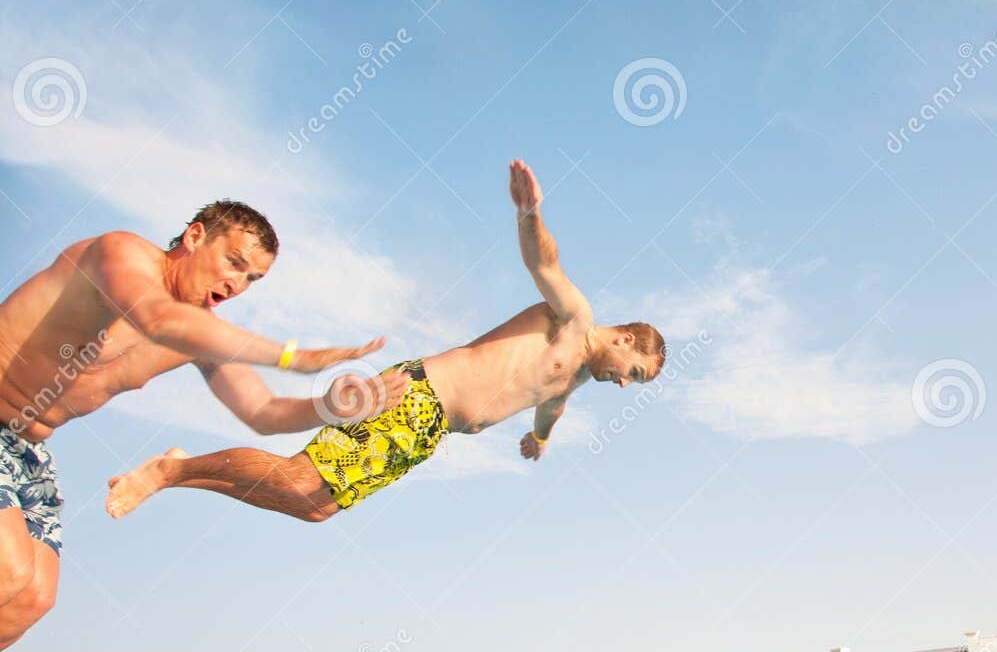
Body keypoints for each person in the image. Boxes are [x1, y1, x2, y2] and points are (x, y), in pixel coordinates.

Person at [105, 160, 666, 523]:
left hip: (428, 432)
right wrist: (530, 213)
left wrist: (539, 441)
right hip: (415, 397)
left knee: (312, 507)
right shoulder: (574, 317)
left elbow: (550, 412)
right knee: (304, 478)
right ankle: (171, 471)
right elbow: (544, 262)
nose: (623, 382)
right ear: (622, 338)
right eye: (632, 372)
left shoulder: (574, 379)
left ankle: (178, 471)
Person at [0, 200, 390, 649]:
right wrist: (291, 357)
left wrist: (331, 406)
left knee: (32, 598)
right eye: (234, 263)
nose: (237, 284)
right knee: (10, 571)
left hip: (26, 452)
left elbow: (262, 410)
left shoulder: (197, 335)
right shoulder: (119, 255)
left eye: (252, 279)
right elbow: (156, 318)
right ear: (195, 237)